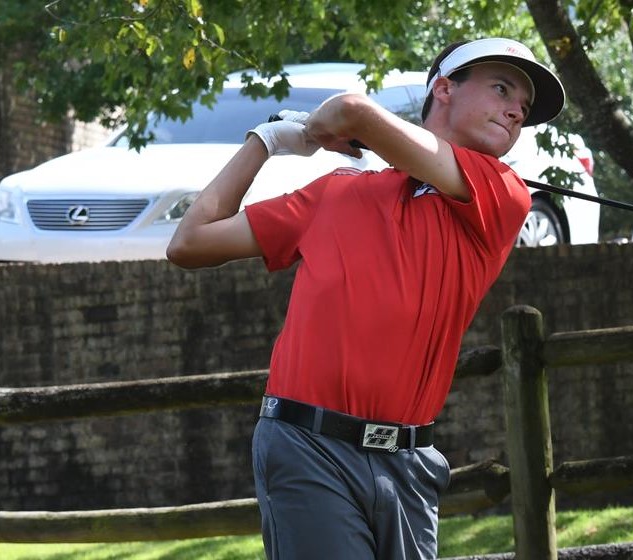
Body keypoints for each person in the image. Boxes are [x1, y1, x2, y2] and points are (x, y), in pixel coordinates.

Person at [166, 37, 565, 560]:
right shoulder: (336, 192)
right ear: (443, 88)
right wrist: (263, 142)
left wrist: (316, 128)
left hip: (408, 463)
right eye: (500, 88)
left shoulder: (502, 191)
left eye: (524, 106)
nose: (516, 110)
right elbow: (190, 242)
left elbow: (352, 110)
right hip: (307, 446)